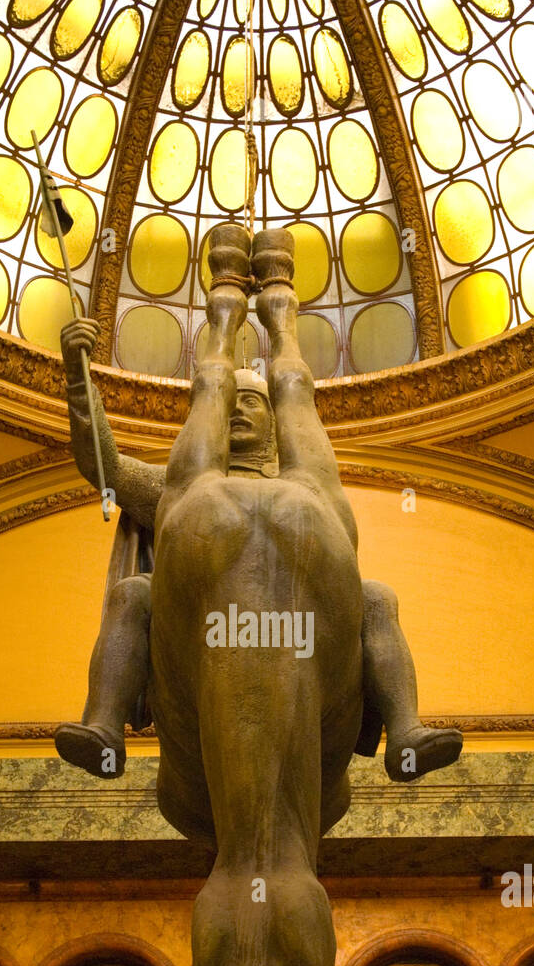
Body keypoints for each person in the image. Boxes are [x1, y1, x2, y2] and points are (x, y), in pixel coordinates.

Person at [55, 243, 461, 790]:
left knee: (376, 597)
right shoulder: (181, 485)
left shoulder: (299, 479)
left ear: (275, 423)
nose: (240, 413)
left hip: (303, 623)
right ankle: (104, 722)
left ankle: (405, 729)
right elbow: (102, 466)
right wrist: (81, 384)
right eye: (231, 406)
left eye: (255, 405)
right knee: (133, 594)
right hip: (199, 622)